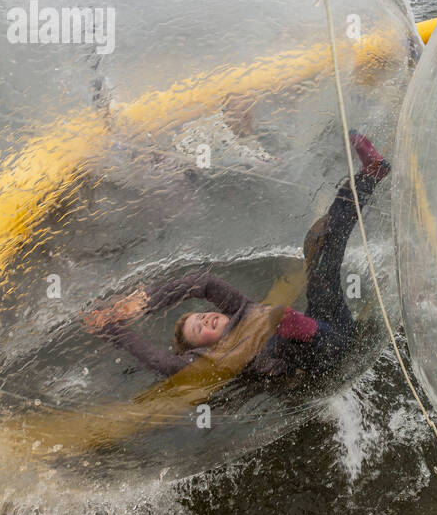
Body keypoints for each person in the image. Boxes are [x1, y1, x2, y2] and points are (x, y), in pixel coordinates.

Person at [83, 130, 390, 384]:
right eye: (199, 329)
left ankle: (370, 175)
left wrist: (141, 301)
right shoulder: (215, 358)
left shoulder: (241, 308)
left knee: (321, 246)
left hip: (327, 321)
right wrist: (111, 329)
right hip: (321, 358)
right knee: (287, 344)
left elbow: (204, 284)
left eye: (200, 315)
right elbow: (159, 361)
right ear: (201, 347)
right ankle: (301, 330)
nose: (205, 319)